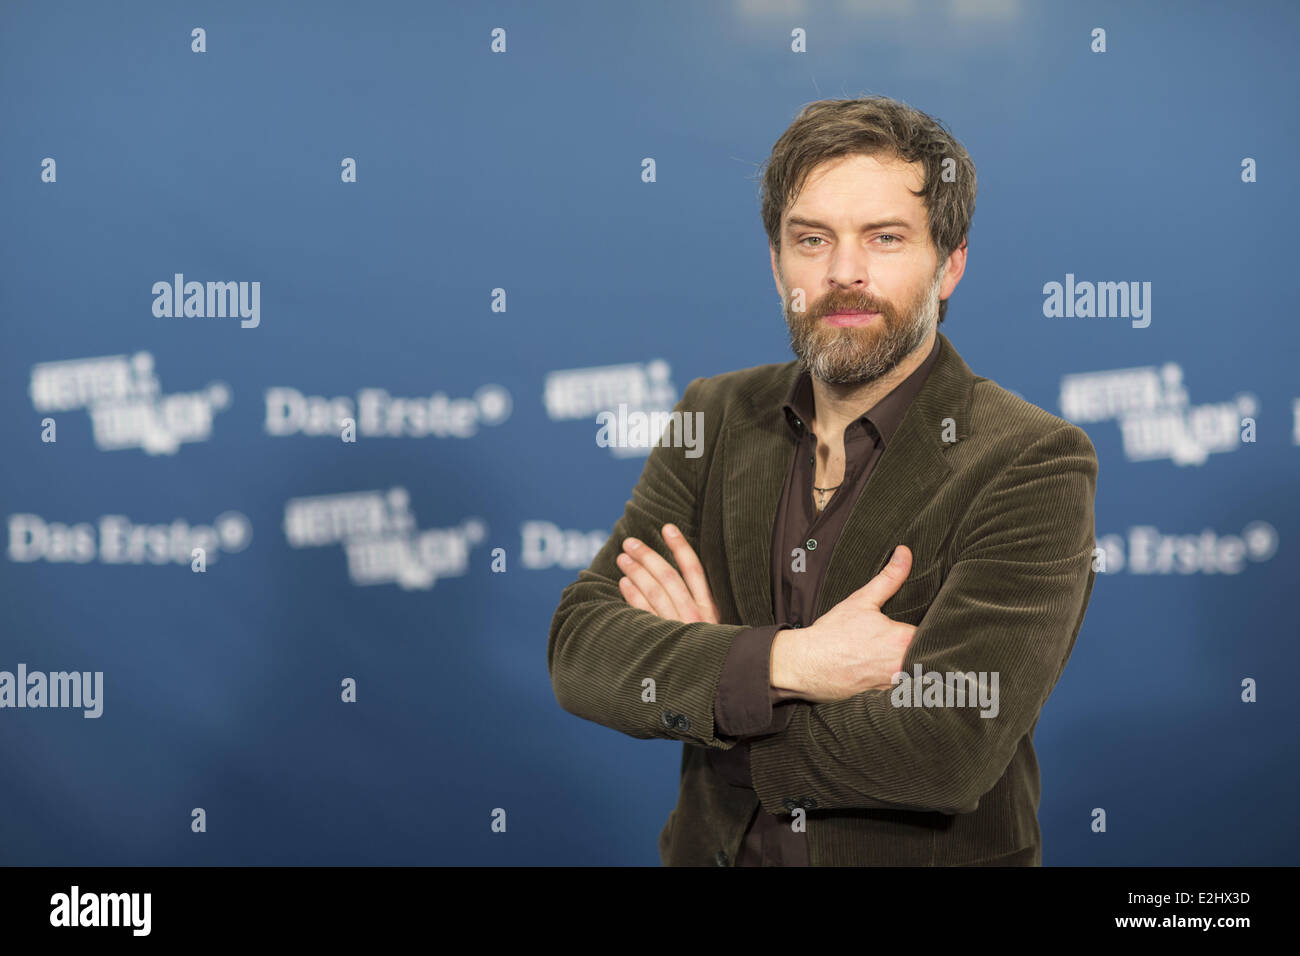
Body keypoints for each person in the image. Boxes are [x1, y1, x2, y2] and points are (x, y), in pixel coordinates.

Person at [547, 95, 1098, 866]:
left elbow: (946, 747)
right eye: (813, 239)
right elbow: (581, 651)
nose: (844, 272)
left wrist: (717, 683)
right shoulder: (713, 414)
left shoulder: (1029, 459)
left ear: (950, 264)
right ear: (777, 264)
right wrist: (792, 664)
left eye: (885, 237)